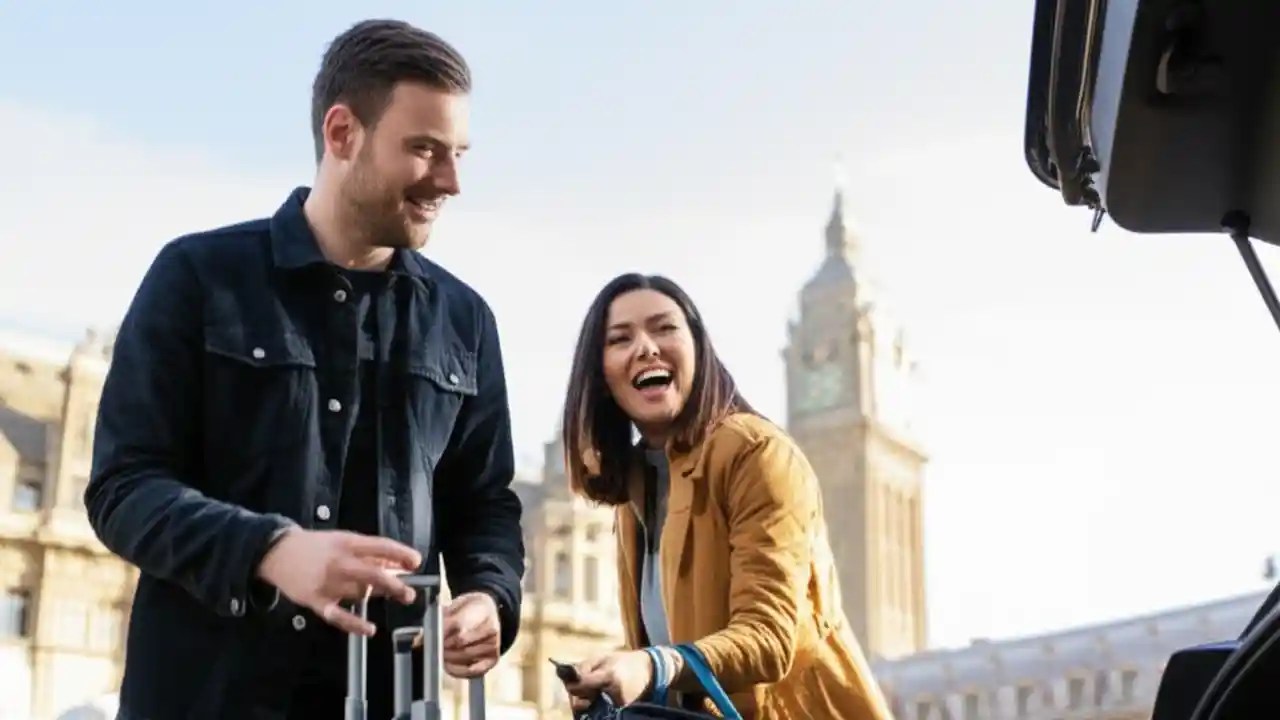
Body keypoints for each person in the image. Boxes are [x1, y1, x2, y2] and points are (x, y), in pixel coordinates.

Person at [84, 19, 524, 720]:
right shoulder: (195, 277)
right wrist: (269, 549)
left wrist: (489, 596)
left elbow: (485, 506)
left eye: (459, 153)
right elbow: (122, 489)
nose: (451, 181)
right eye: (424, 149)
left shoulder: (467, 321)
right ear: (342, 131)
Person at [557, 273, 894, 719]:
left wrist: (654, 665)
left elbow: (770, 639)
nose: (646, 347)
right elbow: (673, 643)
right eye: (620, 338)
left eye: (664, 328)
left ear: (699, 349)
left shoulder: (757, 454)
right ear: (600, 376)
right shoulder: (633, 492)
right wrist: (613, 675)